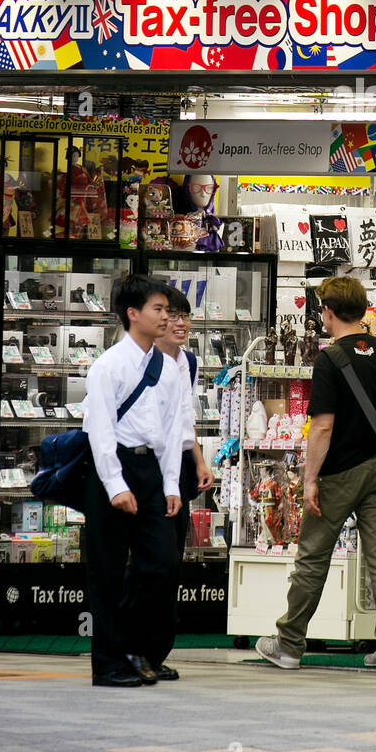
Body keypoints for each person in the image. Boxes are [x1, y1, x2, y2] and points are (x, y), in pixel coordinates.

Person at [256, 276, 376, 671]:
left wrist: (310, 479)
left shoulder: (330, 358)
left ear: (327, 311)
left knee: (312, 557)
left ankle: (290, 645)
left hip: (340, 472)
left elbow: (323, 427)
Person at [82, 275, 184, 688]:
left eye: (167, 310)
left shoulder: (170, 369)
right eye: (158, 309)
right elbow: (99, 430)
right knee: (106, 571)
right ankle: (107, 664)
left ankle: (132, 646)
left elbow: (173, 429)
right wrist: (114, 485)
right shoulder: (108, 366)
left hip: (152, 471)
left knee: (161, 563)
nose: (165, 317)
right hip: (112, 468)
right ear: (133, 314)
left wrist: (172, 485)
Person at [150, 285, 216, 674]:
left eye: (185, 316)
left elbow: (185, 417)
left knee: (172, 556)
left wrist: (200, 459)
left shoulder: (186, 362)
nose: (180, 323)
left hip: (176, 468)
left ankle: (156, 652)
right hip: (145, 468)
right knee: (153, 558)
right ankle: (139, 649)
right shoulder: (141, 361)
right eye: (172, 315)